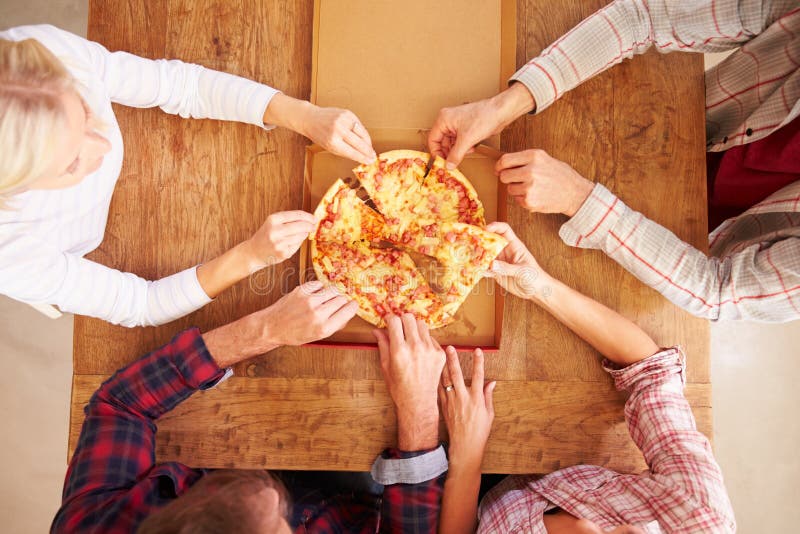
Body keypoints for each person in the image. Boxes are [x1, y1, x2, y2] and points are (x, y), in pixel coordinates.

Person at [428, 0, 800, 322]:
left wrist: (577, 198)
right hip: (663, 129)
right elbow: (644, 16)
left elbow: (715, 290)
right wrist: (504, 106)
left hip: (673, 258)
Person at [0, 24, 376, 327]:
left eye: (85, 112)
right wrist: (251, 255)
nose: (103, 144)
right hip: (94, 244)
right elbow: (140, 304)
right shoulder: (10, 255)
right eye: (71, 163)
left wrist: (304, 116)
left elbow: (179, 85)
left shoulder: (41, 57)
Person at [50, 282, 457, 533]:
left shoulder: (93, 527)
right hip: (364, 505)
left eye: (231, 496)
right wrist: (419, 412)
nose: (270, 493)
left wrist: (263, 330)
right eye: (278, 525)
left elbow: (119, 406)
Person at [435, 222, 736, 533]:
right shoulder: (698, 513)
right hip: (552, 467)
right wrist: (540, 287)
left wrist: (467, 458)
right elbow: (651, 371)